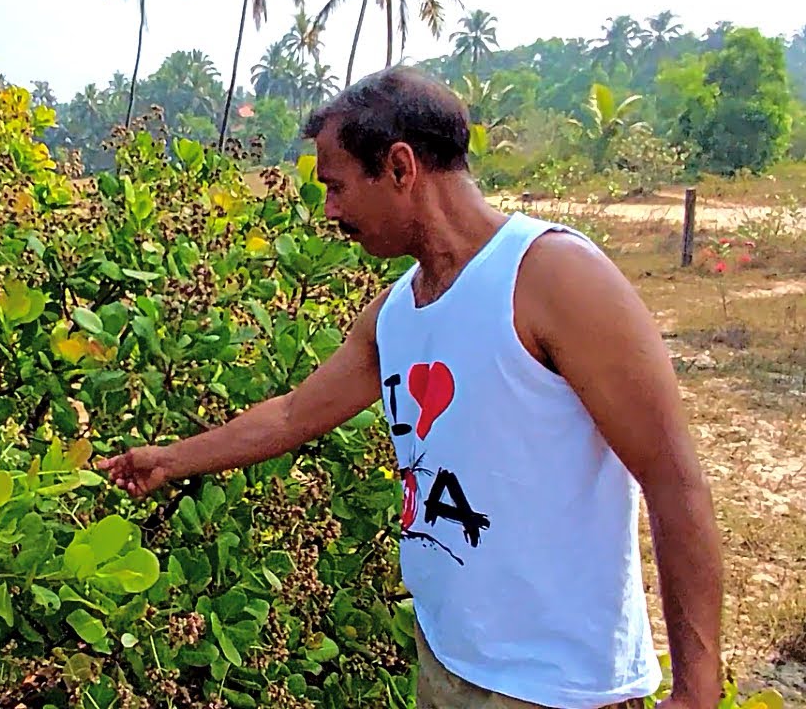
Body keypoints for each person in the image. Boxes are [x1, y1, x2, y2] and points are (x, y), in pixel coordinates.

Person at [97, 66, 724, 709]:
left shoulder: (552, 277)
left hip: (556, 685)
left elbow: (673, 478)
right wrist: (168, 461)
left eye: (336, 187)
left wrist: (697, 691)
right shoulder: (398, 311)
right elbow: (292, 414)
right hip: (447, 659)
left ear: (400, 168)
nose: (330, 210)